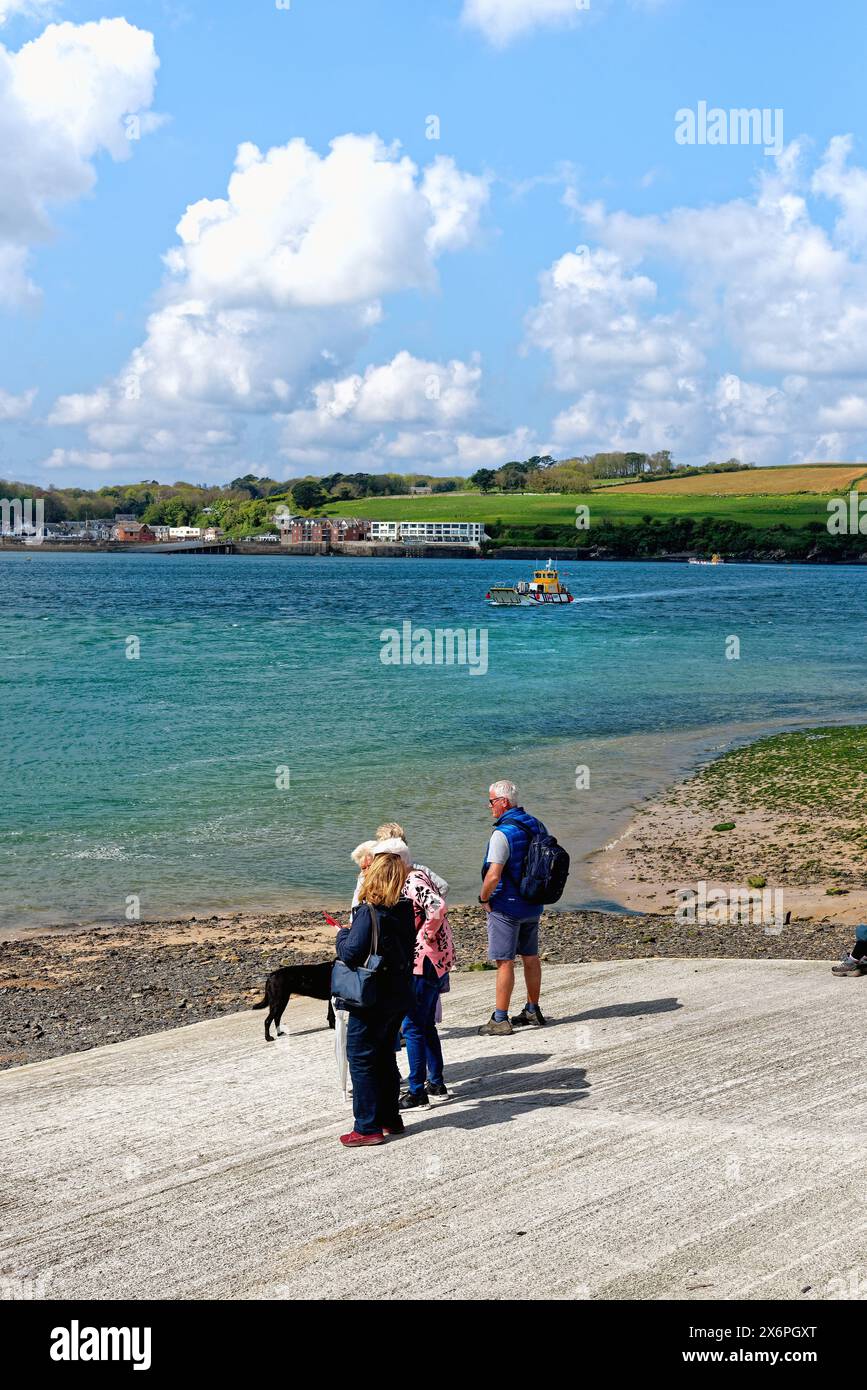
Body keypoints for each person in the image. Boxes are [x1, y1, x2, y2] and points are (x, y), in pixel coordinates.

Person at [333, 847, 416, 1146]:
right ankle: (390, 1118)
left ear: (375, 877)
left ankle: (367, 1126)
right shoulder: (405, 910)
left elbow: (351, 953)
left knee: (361, 1056)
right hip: (398, 993)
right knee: (383, 1056)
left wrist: (342, 934)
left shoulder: (369, 913)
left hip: (372, 997)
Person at [477, 780, 547, 1037]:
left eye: (492, 802)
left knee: (505, 962)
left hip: (506, 906)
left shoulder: (502, 833)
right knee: (530, 957)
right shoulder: (537, 824)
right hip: (533, 902)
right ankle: (532, 1009)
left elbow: (494, 874)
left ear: (504, 802)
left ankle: (500, 1019)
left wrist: (483, 897)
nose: (490, 807)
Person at [397, 846, 456, 1108]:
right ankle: (436, 1082)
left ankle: (416, 1091)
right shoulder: (420, 875)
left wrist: (426, 933)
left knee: (412, 1027)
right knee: (425, 1024)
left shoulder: (411, 881)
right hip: (436, 959)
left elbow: (436, 905)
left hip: (424, 960)